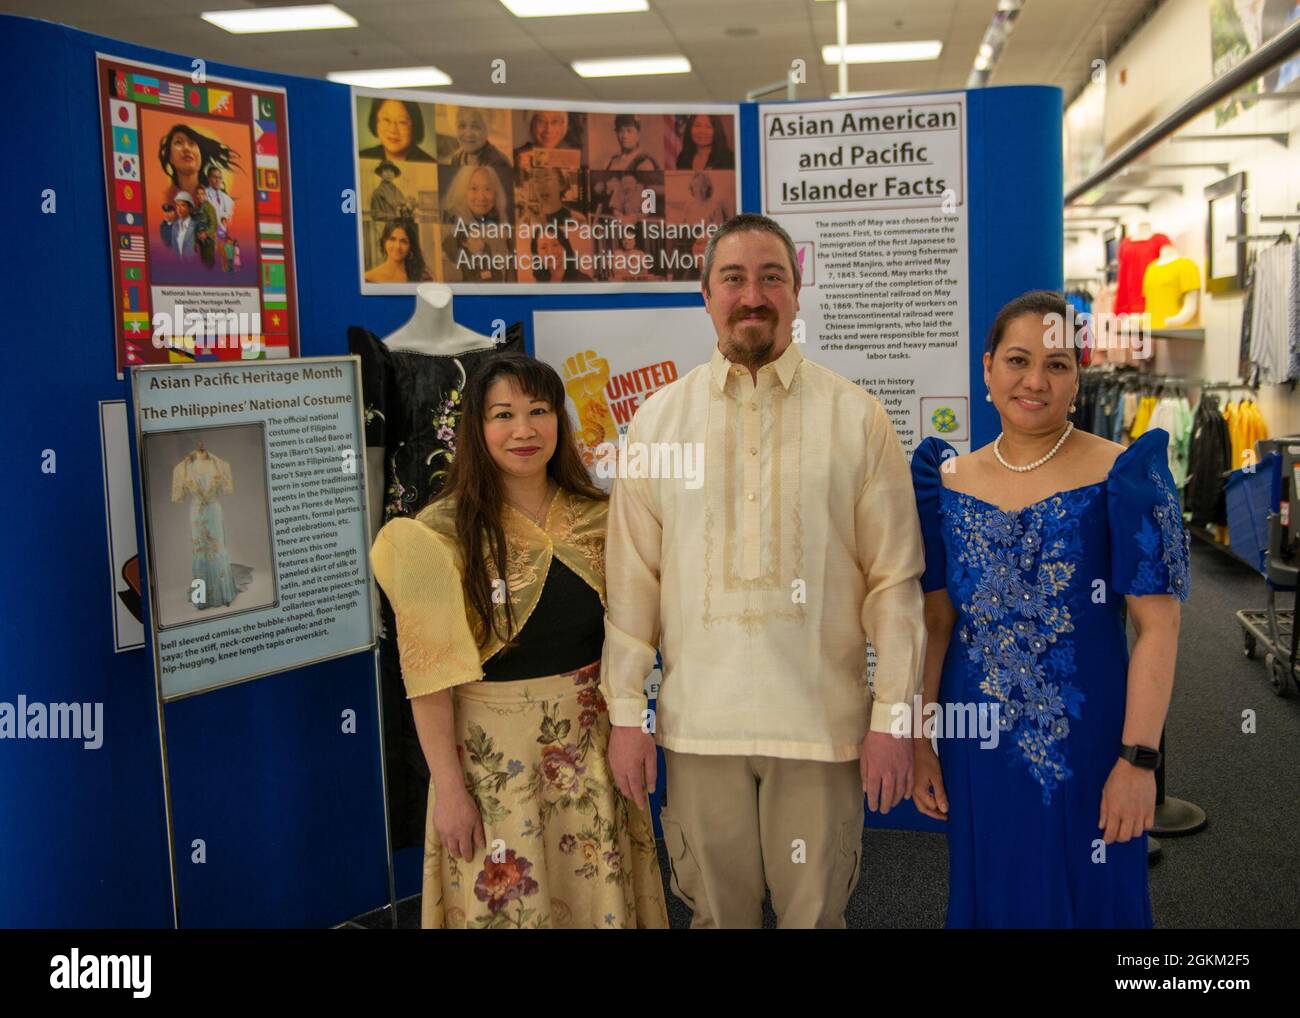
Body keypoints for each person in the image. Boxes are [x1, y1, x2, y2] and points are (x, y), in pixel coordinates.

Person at [601, 213, 926, 928]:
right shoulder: (658, 422)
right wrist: (628, 715)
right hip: (698, 729)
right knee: (718, 919)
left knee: (816, 918)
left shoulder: (858, 418)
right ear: (706, 295)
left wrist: (894, 718)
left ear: (797, 293)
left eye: (772, 277)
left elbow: (894, 586)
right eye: (734, 278)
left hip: (821, 727)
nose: (754, 295)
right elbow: (632, 585)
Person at [909, 289, 1189, 928]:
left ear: (1077, 378)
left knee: (1091, 893)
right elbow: (938, 621)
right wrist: (925, 739)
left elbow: (1158, 625)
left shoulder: (1125, 473)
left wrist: (1138, 761)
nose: (1035, 380)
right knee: (993, 888)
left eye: (1057, 364)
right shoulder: (944, 482)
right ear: (987, 369)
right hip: (975, 736)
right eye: (1017, 360)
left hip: (1091, 742)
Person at [369, 353, 668, 929]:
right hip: (490, 768)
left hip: (593, 749)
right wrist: (449, 792)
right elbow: (429, 683)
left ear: (561, 420)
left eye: (539, 410)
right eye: (502, 414)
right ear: (476, 430)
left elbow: (632, 640)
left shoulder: (606, 518)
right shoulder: (436, 536)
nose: (524, 429)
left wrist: (636, 726)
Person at [440, 165, 514, 282]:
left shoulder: (501, 224)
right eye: (474, 188)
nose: (481, 197)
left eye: (487, 189)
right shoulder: (451, 225)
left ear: (496, 192)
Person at [157, 124, 241, 205]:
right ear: (170, 157)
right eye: (178, 142)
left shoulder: (217, 200)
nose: (186, 148)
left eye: (192, 143)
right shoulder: (167, 199)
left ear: (201, 155)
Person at [359, 98, 435, 163]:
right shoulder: (361, 157)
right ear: (375, 121)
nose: (393, 130)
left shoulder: (428, 163)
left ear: (414, 126)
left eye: (402, 122)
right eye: (386, 119)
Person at [443, 106, 511, 171]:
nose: (468, 134)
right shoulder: (457, 157)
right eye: (462, 126)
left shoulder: (499, 163)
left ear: (487, 129)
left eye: (475, 126)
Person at [365, 219, 429, 283]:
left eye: (403, 241)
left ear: (411, 247)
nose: (397, 246)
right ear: (384, 242)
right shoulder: (368, 278)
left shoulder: (423, 278)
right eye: (392, 239)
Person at [158, 192, 197, 260]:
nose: (179, 208)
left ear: (190, 208)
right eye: (177, 205)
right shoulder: (174, 226)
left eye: (183, 205)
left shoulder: (196, 225)